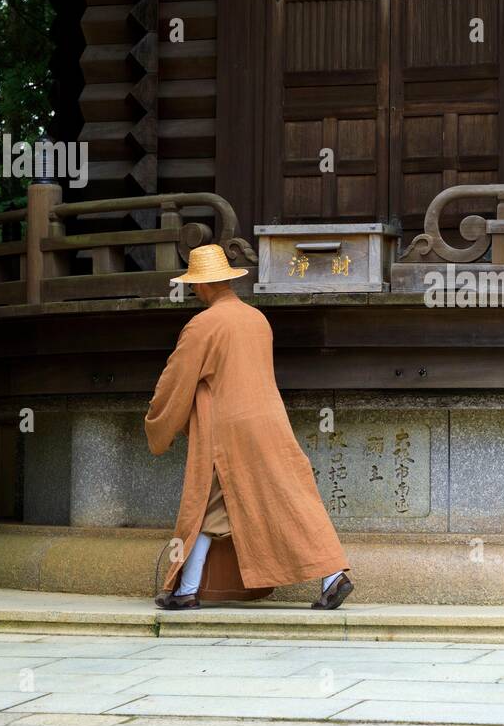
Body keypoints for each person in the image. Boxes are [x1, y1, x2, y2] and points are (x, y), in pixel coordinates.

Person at [146, 243, 353, 610]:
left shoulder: (203, 325)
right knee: (285, 497)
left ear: (203, 285)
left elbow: (176, 379)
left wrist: (158, 421)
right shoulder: (257, 319)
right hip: (270, 420)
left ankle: (187, 590)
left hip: (228, 430)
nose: (194, 291)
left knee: (206, 501)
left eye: (194, 285)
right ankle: (331, 575)